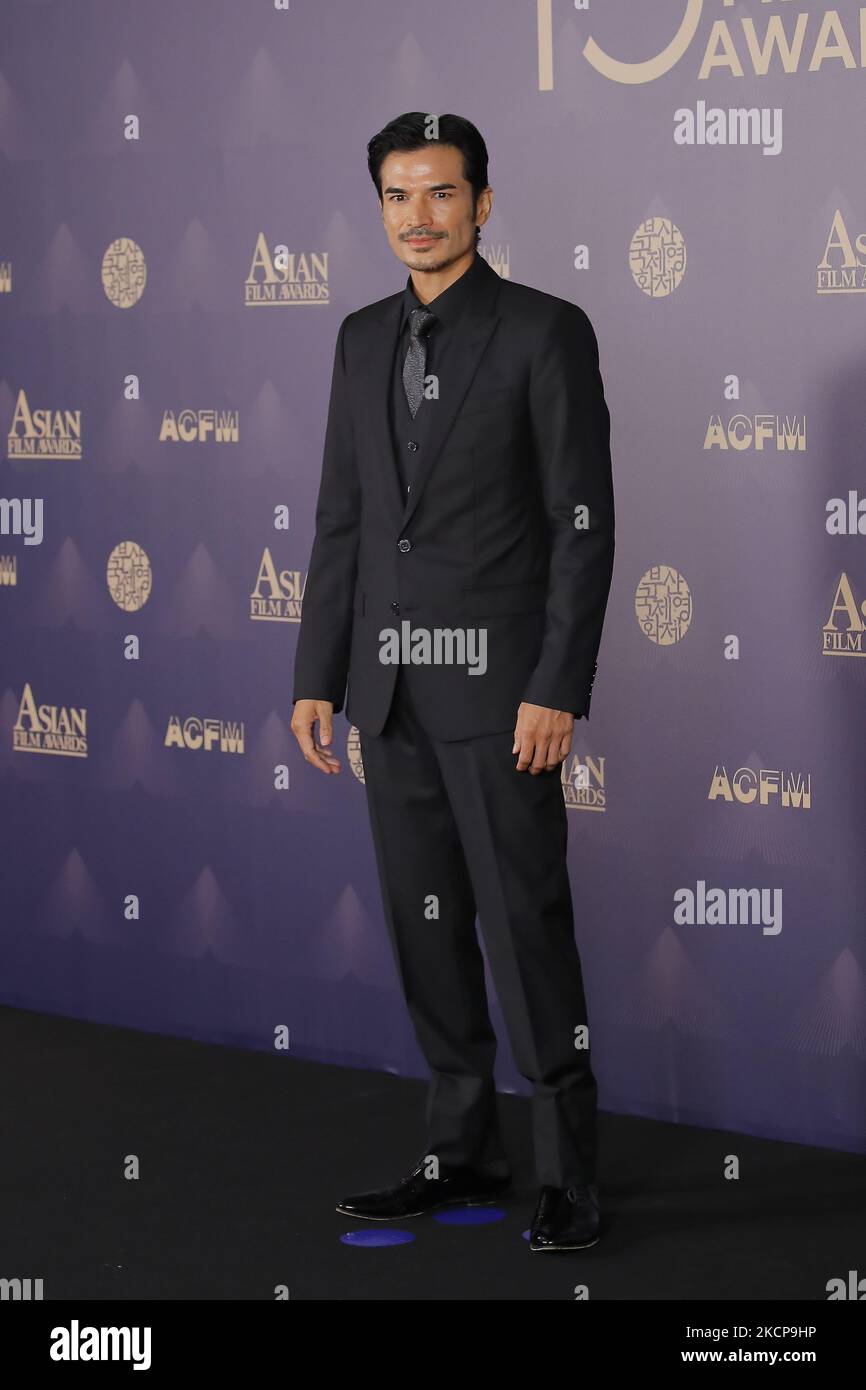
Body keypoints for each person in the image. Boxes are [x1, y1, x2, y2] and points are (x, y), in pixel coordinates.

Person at [291, 112, 615, 1252]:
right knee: (427, 936)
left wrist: (555, 682)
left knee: (526, 931)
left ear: (482, 202)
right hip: (390, 698)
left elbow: (581, 526)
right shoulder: (357, 338)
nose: (415, 217)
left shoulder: (543, 332)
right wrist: (316, 674)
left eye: (438, 194)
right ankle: (456, 1152)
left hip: (500, 697)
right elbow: (344, 520)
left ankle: (568, 1176)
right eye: (394, 195)